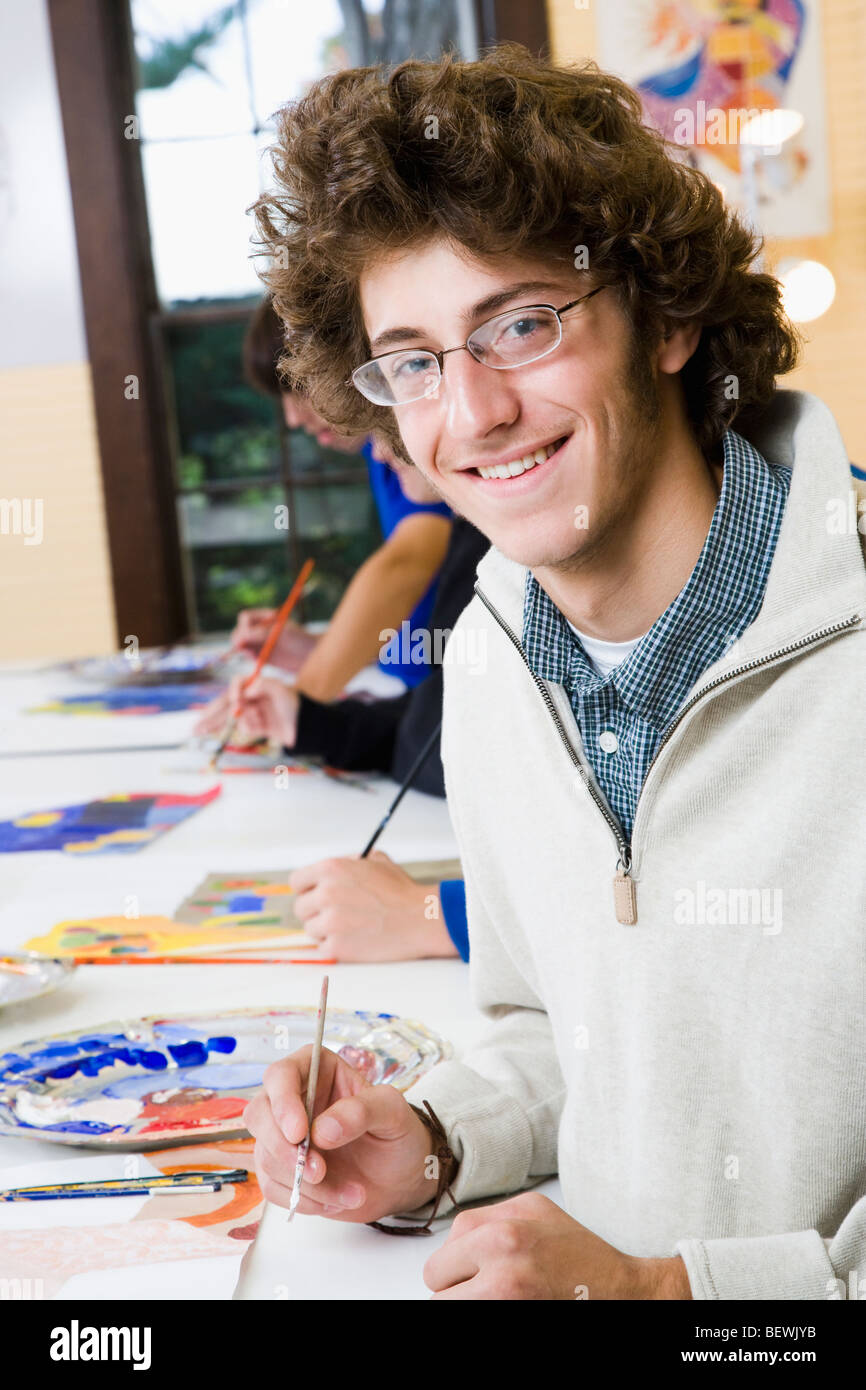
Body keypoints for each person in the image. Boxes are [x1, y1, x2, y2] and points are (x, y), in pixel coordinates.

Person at [242, 45, 866, 1300]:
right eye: (413, 360)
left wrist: (673, 1294)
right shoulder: (489, 658)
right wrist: (429, 1138)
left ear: (669, 317)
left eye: (519, 326)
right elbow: (569, 1032)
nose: (468, 414)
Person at [227, 295, 453, 699]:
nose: (294, 419)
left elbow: (408, 565)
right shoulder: (379, 450)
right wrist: (322, 651)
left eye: (299, 388)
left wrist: (305, 701)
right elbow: (414, 629)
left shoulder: (404, 445)